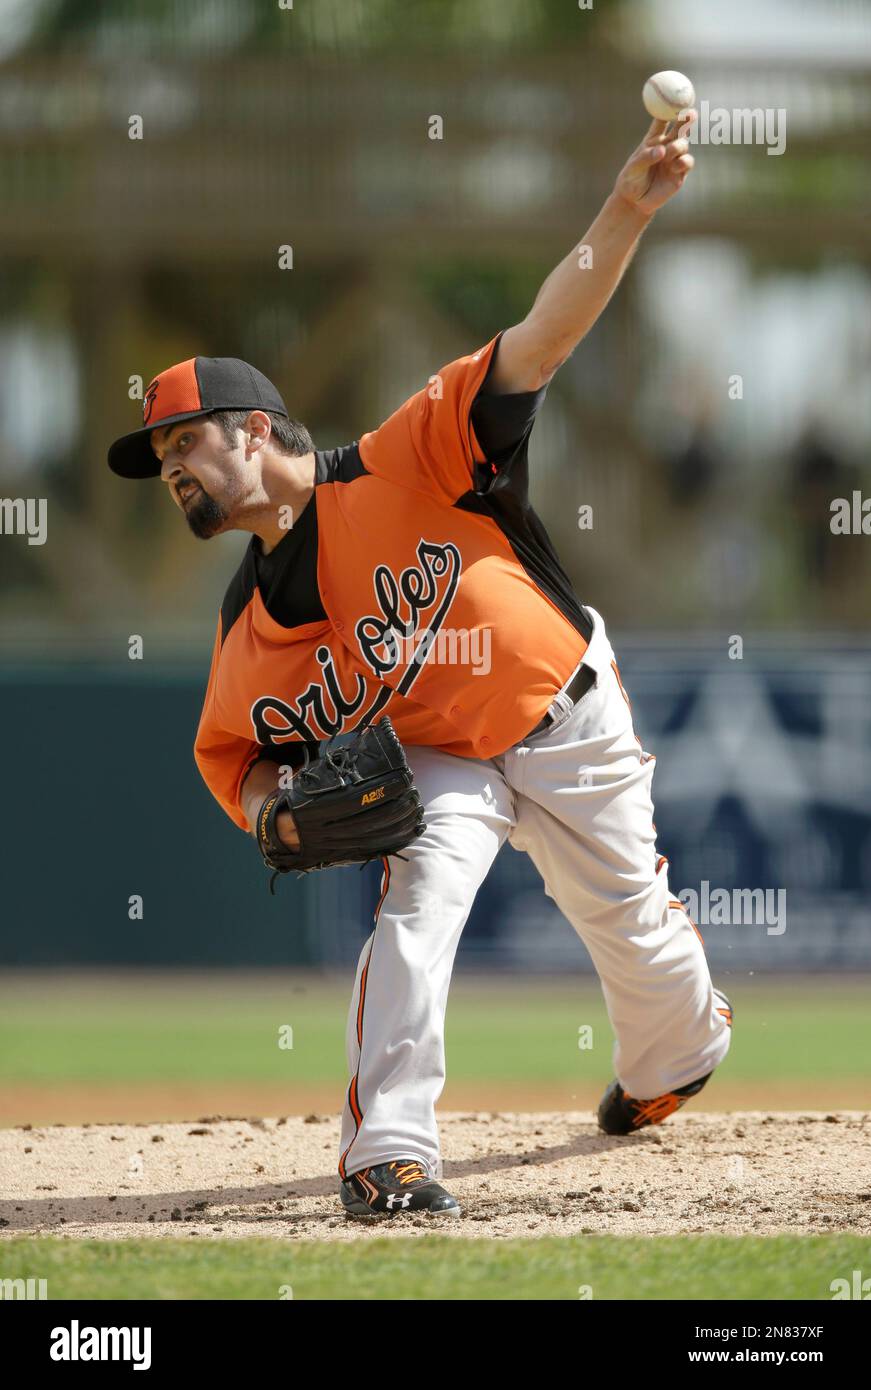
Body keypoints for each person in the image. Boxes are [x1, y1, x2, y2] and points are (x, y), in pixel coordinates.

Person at [108, 112, 732, 1220]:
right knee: (418, 904)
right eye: (160, 458)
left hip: (565, 711)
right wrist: (270, 810)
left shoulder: (412, 454)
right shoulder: (247, 625)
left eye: (183, 442)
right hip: (441, 756)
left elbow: (541, 336)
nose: (171, 468)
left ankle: (672, 1061)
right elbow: (231, 754)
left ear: (254, 431)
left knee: (641, 942)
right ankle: (386, 1154)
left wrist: (626, 210)